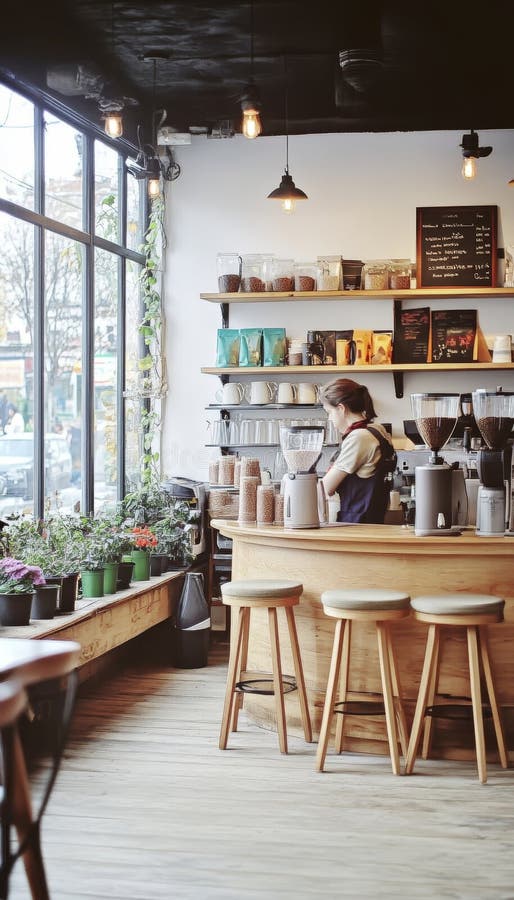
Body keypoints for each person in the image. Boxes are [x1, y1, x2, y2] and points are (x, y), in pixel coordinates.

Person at [321, 378, 394, 524]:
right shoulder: (378, 430)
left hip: (356, 526)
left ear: (341, 408)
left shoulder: (359, 438)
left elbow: (325, 488)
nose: (330, 418)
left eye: (329, 412)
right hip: (374, 523)